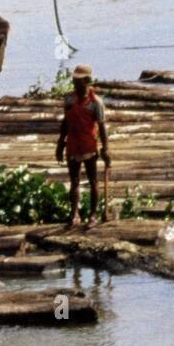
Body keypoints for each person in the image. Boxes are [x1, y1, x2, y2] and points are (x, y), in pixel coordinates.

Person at [55, 64, 111, 229]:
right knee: (74, 181)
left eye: (78, 80)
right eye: (73, 80)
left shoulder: (96, 103)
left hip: (89, 145)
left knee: (93, 181)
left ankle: (93, 215)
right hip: (72, 144)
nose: (74, 83)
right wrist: (60, 143)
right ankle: (74, 214)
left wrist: (106, 148)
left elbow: (102, 127)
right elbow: (65, 122)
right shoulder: (69, 99)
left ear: (87, 81)